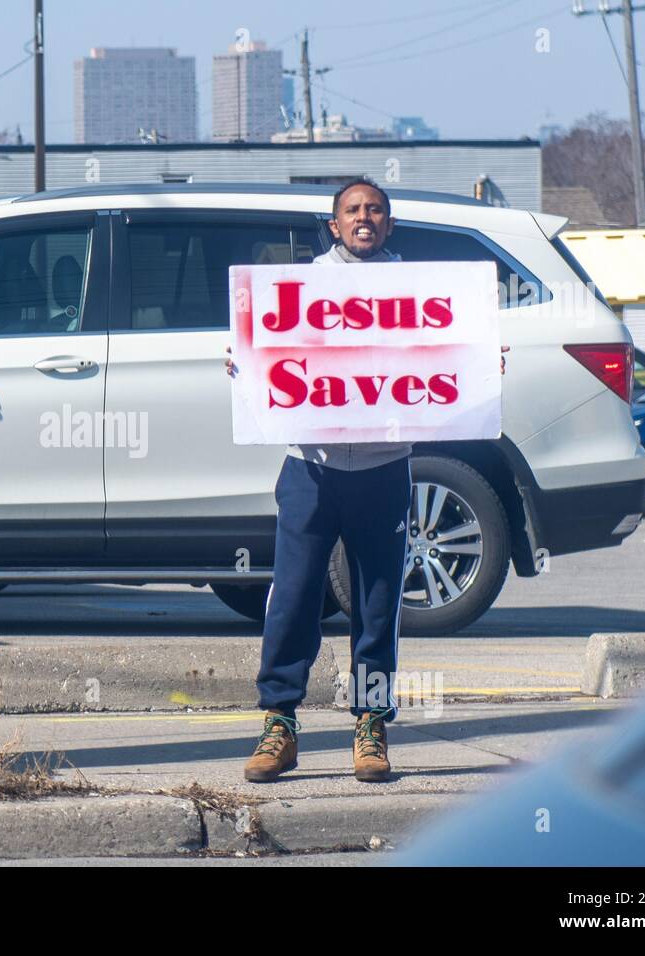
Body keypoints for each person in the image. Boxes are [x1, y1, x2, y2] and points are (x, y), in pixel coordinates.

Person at [226, 176, 409, 783]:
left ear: (388, 222)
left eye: (375, 210)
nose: (365, 218)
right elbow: (272, 354)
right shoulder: (300, 288)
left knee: (377, 603)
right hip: (312, 466)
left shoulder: (418, 289)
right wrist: (246, 358)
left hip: (384, 468)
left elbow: (443, 361)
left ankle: (371, 725)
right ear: (334, 226)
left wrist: (477, 361)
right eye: (353, 210)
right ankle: (280, 721)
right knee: (294, 597)